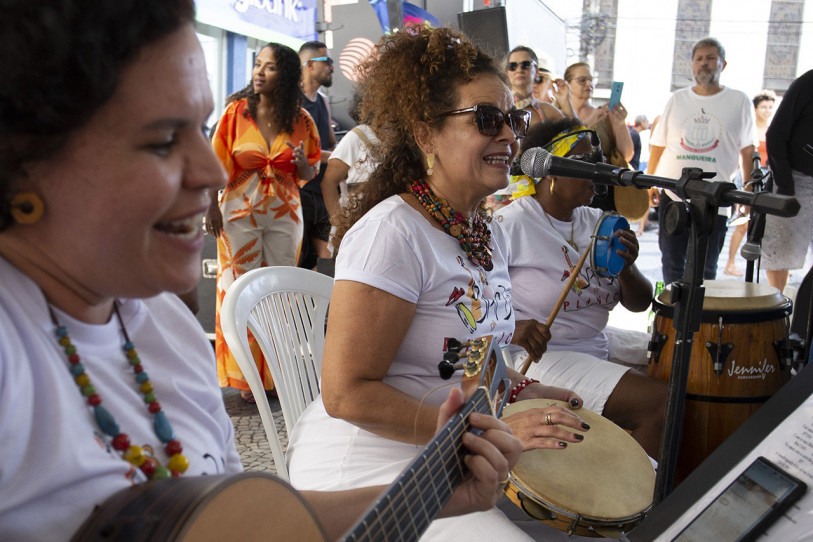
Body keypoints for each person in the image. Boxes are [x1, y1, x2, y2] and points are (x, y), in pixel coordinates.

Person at [0, 2, 522, 540]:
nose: (210, 171)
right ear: (25, 158)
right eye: (160, 140)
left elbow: (232, 525)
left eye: (198, 130)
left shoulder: (166, 330)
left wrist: (443, 496)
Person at [287, 26, 592, 541]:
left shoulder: (484, 231)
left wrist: (524, 392)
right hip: (366, 463)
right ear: (426, 133)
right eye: (487, 120)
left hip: (451, 450)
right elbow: (346, 395)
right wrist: (480, 431)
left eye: (513, 119)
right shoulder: (394, 232)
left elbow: (472, 360)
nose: (509, 137)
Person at [497, 118, 666, 459]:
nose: (598, 170)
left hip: (596, 343)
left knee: (685, 363)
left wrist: (628, 268)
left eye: (598, 160)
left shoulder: (598, 222)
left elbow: (640, 303)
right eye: (586, 162)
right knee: (660, 403)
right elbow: (470, 305)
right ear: (550, 170)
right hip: (539, 357)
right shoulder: (510, 225)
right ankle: (631, 498)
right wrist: (512, 327)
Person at [206, 43, 321, 403]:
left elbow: (311, 171)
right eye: (257, 65)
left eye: (268, 67)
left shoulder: (302, 120)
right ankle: (245, 377)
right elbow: (214, 164)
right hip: (239, 214)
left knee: (279, 292)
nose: (259, 72)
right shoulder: (235, 113)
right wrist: (210, 207)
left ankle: (274, 373)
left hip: (285, 215)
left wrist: (301, 162)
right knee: (241, 290)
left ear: (284, 75)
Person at [648, 37, 756, 285]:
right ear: (692, 65)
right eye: (699, 59)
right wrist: (651, 183)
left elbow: (747, 151)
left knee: (706, 271)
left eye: (710, 58)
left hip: (716, 199)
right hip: (673, 194)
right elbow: (658, 145)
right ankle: (669, 319)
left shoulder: (739, 101)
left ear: (723, 64)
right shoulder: (677, 99)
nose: (704, 64)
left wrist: (748, 192)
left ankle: (699, 322)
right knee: (671, 265)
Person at [763, 71, 813, 293]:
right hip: (794, 178)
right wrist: (785, 185)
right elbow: (775, 134)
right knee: (779, 255)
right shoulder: (809, 82)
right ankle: (778, 306)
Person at [564, 62, 635, 214]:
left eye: (591, 80)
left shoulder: (604, 114)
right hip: (567, 188)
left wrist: (620, 123)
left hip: (602, 190)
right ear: (567, 84)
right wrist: (589, 123)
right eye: (582, 80)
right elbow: (560, 148)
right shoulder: (559, 114)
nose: (588, 84)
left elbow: (627, 155)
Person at [725, 90, 776, 277]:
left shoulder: (773, 128)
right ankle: (730, 262)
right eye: (764, 107)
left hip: (767, 176)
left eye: (770, 107)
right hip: (749, 174)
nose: (767, 110)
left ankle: (761, 264)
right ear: (755, 108)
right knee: (744, 222)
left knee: (762, 223)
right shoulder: (750, 127)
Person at [298, 41, 338, 272]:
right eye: (327, 61)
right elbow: (293, 151)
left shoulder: (322, 101)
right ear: (310, 64)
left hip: (320, 194)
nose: (332, 67)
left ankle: (317, 308)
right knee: (297, 260)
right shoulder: (291, 101)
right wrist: (339, 157)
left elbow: (331, 144)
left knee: (327, 257)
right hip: (298, 194)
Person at [505, 46, 569, 125]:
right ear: (507, 72)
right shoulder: (502, 109)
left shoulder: (548, 111)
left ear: (536, 71)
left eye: (526, 64)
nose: (519, 70)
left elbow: (576, 134)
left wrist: (566, 102)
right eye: (512, 66)